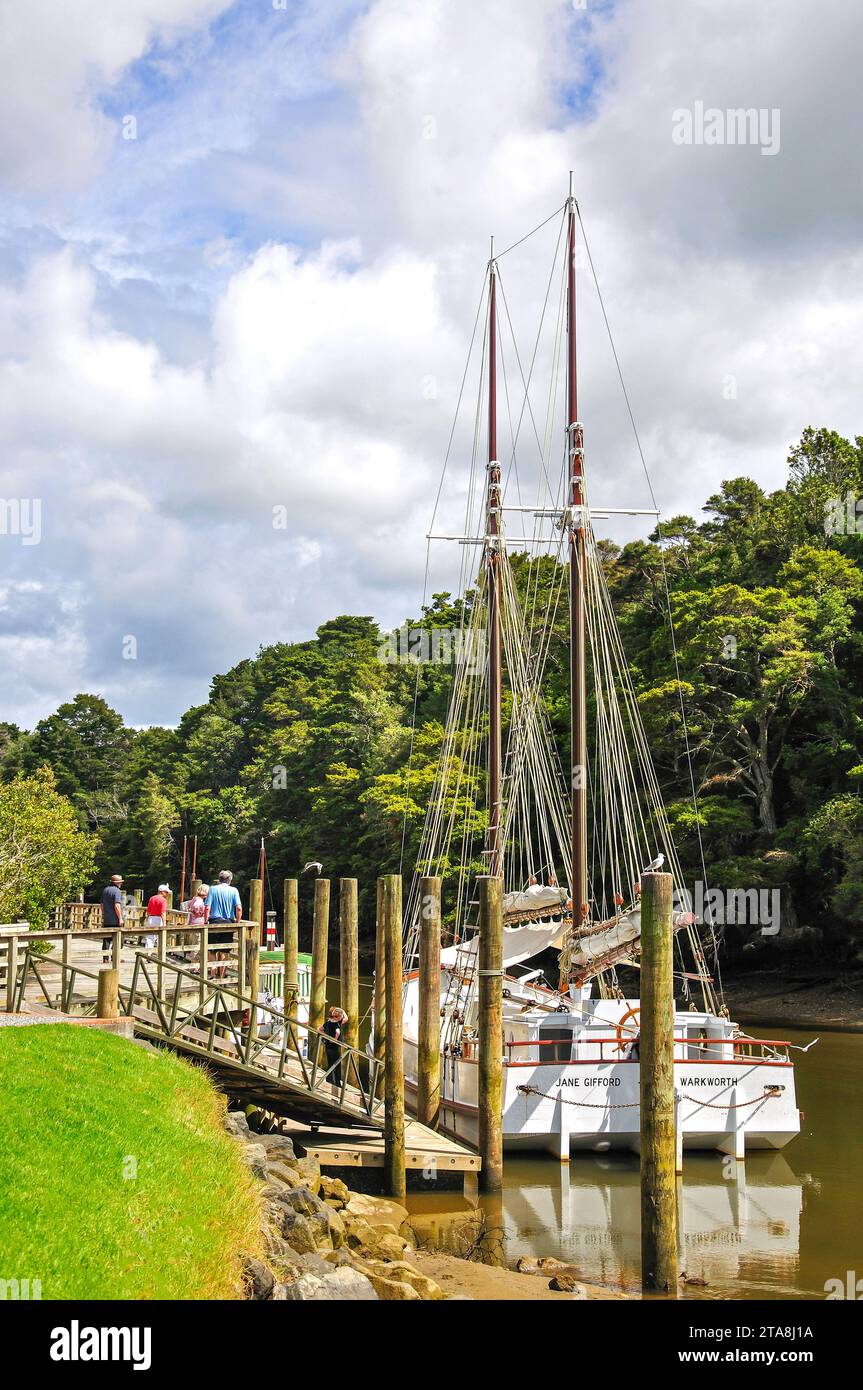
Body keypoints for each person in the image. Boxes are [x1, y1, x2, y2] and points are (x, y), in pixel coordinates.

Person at [204, 870, 242, 979]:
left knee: (211, 949)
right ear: (230, 880)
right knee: (225, 950)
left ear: (219, 880)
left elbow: (207, 907)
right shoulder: (234, 890)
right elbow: (238, 908)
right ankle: (222, 976)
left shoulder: (213, 889)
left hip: (215, 921)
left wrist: (206, 921)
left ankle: (212, 975)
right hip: (228, 923)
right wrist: (237, 923)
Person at [322, 1006, 348, 1091]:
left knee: (330, 1064)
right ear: (339, 1016)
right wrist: (334, 1040)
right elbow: (338, 1032)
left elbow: (320, 1029)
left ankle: (329, 1081)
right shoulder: (337, 1023)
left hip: (327, 1047)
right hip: (334, 1047)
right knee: (337, 1065)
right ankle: (337, 1084)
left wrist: (324, 1037)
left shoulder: (327, 1023)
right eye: (341, 1016)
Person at [101, 874, 124, 964]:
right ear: (117, 883)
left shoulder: (105, 890)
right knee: (119, 938)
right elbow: (117, 905)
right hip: (115, 919)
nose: (121, 884)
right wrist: (120, 918)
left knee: (106, 939)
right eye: (120, 882)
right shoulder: (117, 891)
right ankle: (115, 957)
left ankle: (105, 958)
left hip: (107, 919)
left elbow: (102, 905)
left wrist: (104, 914)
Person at [144, 883, 169, 949]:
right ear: (161, 892)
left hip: (151, 918)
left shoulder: (152, 898)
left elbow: (148, 911)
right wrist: (164, 923)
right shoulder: (163, 900)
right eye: (166, 892)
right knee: (160, 937)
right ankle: (160, 954)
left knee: (149, 937)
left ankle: (148, 954)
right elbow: (163, 913)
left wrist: (147, 919)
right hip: (159, 919)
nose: (167, 894)